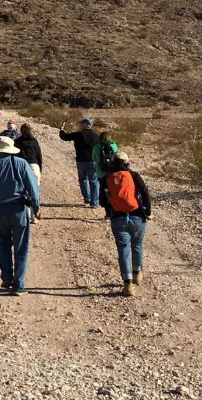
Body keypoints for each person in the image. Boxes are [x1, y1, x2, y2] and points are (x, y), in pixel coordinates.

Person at [0, 135, 42, 295]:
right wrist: (36, 206)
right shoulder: (21, 164)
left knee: (3, 245)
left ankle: (7, 277)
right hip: (18, 209)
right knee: (21, 247)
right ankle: (19, 284)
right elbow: (33, 187)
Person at [98, 154, 152, 296]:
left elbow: (102, 201)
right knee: (137, 245)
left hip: (118, 218)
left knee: (123, 250)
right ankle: (137, 272)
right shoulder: (133, 175)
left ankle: (127, 284)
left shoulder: (106, 179)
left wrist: (112, 203)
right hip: (137, 216)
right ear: (127, 162)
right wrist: (149, 211)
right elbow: (145, 193)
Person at [59, 118, 100, 209]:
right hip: (93, 161)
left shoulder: (78, 135)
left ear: (85, 124)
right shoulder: (96, 136)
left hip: (81, 161)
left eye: (81, 123)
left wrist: (61, 130)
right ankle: (94, 203)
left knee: (83, 179)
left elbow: (65, 137)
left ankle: (87, 198)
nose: (79, 125)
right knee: (94, 181)